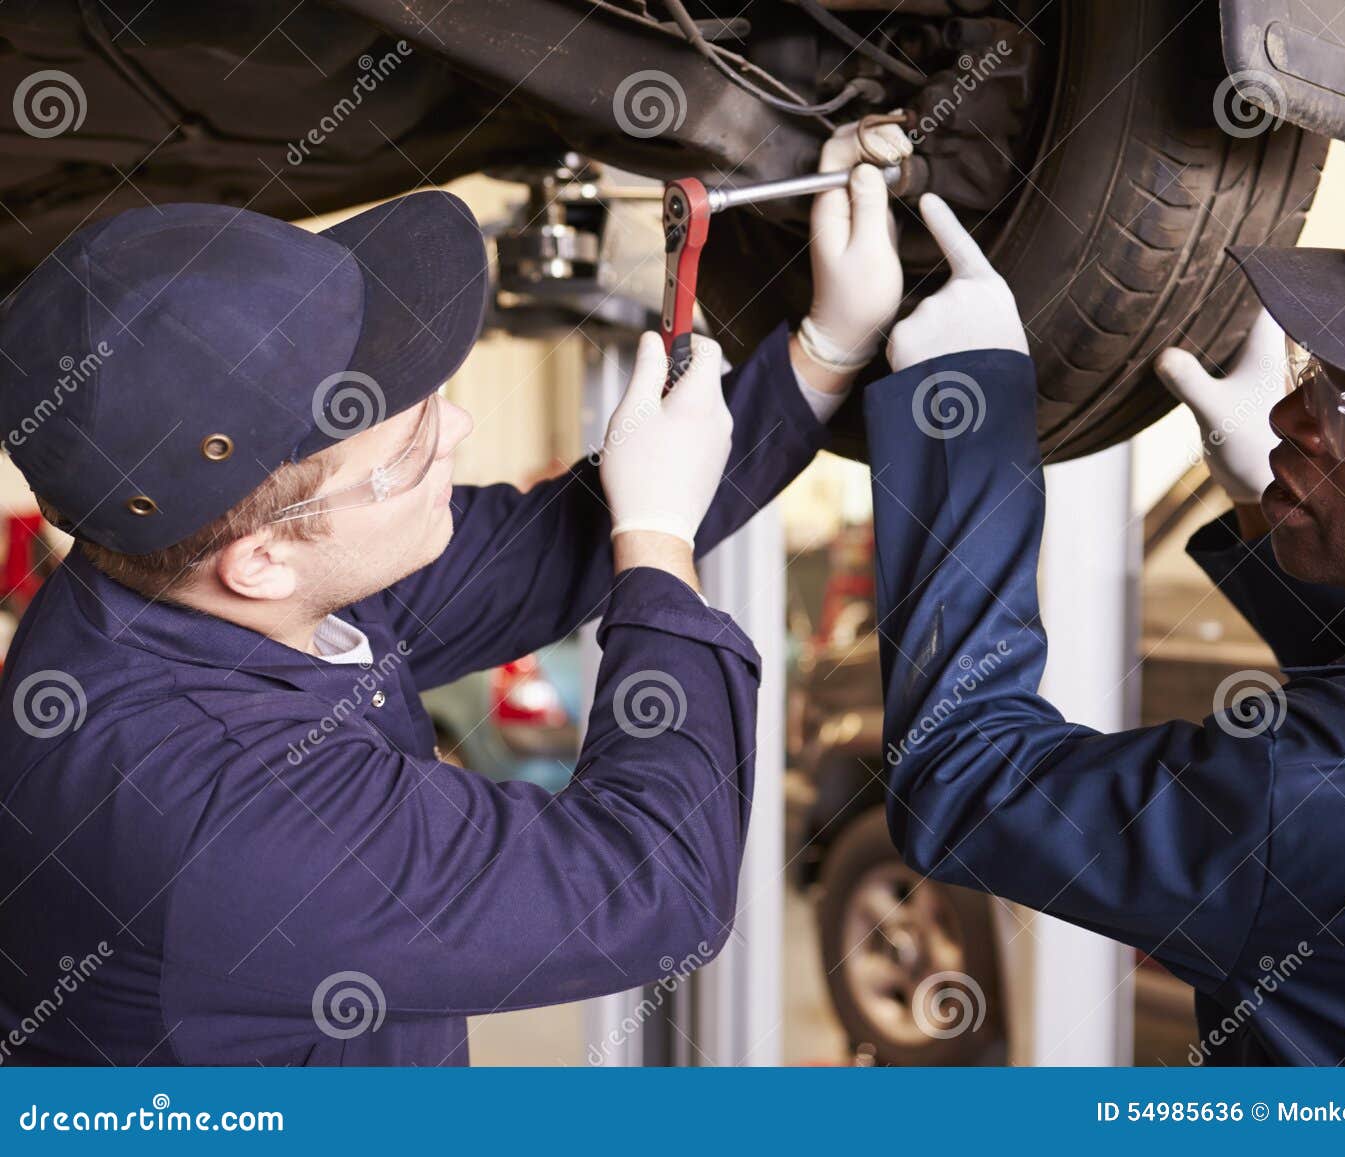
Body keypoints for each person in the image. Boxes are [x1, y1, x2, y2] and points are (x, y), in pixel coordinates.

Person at [0, 123, 911, 1066]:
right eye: (408, 443)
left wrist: (825, 347)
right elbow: (651, 882)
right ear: (259, 558)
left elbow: (543, 551)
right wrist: (660, 543)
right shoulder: (229, 822)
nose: (461, 426)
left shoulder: (194, 577)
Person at [866, 152, 1345, 1064]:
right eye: (1317, 364)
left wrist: (962, 414)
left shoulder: (1336, 804)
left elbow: (963, 777)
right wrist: (1273, 509)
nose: (1295, 414)